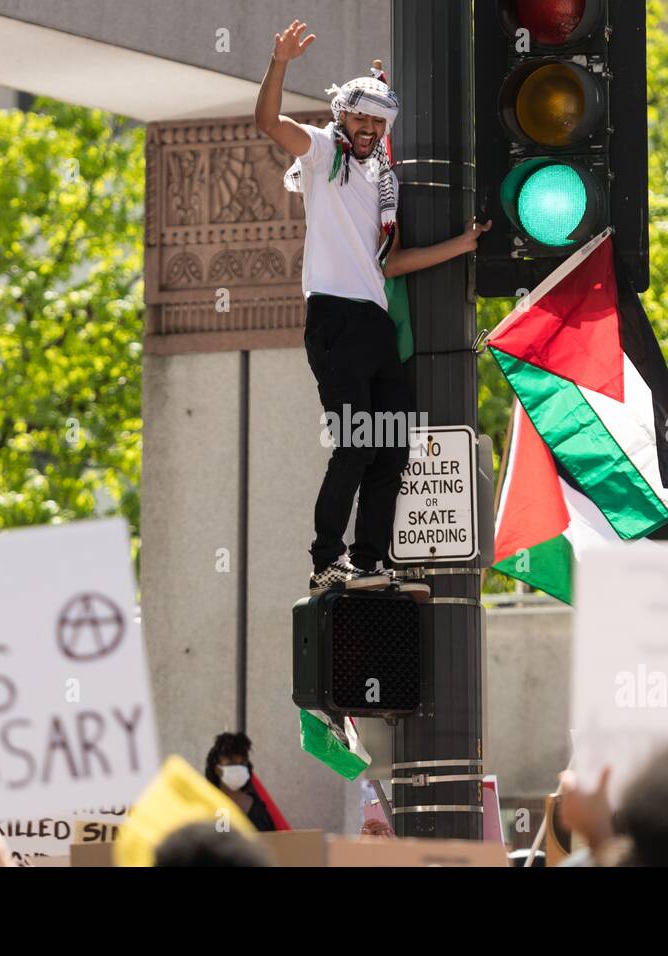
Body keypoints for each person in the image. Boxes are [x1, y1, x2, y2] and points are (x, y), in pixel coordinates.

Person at [255, 19, 491, 594]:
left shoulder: (381, 180)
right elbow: (267, 122)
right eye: (359, 116)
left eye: (376, 120)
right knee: (355, 444)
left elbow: (389, 264)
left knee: (391, 449)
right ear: (343, 117)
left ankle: (367, 560)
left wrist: (459, 246)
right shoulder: (323, 152)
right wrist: (280, 62)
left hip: (375, 323)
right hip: (335, 318)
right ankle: (325, 560)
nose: (367, 127)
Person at [204, 731, 290, 832]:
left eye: (241, 764)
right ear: (217, 769)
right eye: (230, 764)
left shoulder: (257, 808)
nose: (237, 769)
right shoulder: (207, 804)